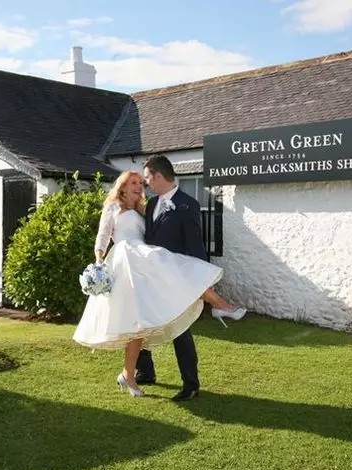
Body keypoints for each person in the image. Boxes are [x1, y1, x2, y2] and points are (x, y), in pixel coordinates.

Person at [73, 165, 245, 399]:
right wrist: (99, 261)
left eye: (140, 183)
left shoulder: (146, 209)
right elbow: (103, 235)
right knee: (136, 322)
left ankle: (220, 306)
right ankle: (133, 374)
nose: (139, 186)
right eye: (133, 182)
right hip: (126, 261)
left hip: (143, 261)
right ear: (122, 188)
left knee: (165, 290)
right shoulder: (113, 207)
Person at [135, 155, 245, 400]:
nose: (146, 184)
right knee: (141, 322)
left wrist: (202, 279)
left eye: (147, 179)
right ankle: (145, 371)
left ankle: (191, 385)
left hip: (176, 281)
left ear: (159, 176)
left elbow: (195, 246)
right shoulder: (152, 204)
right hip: (151, 278)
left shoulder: (188, 205)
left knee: (180, 331)